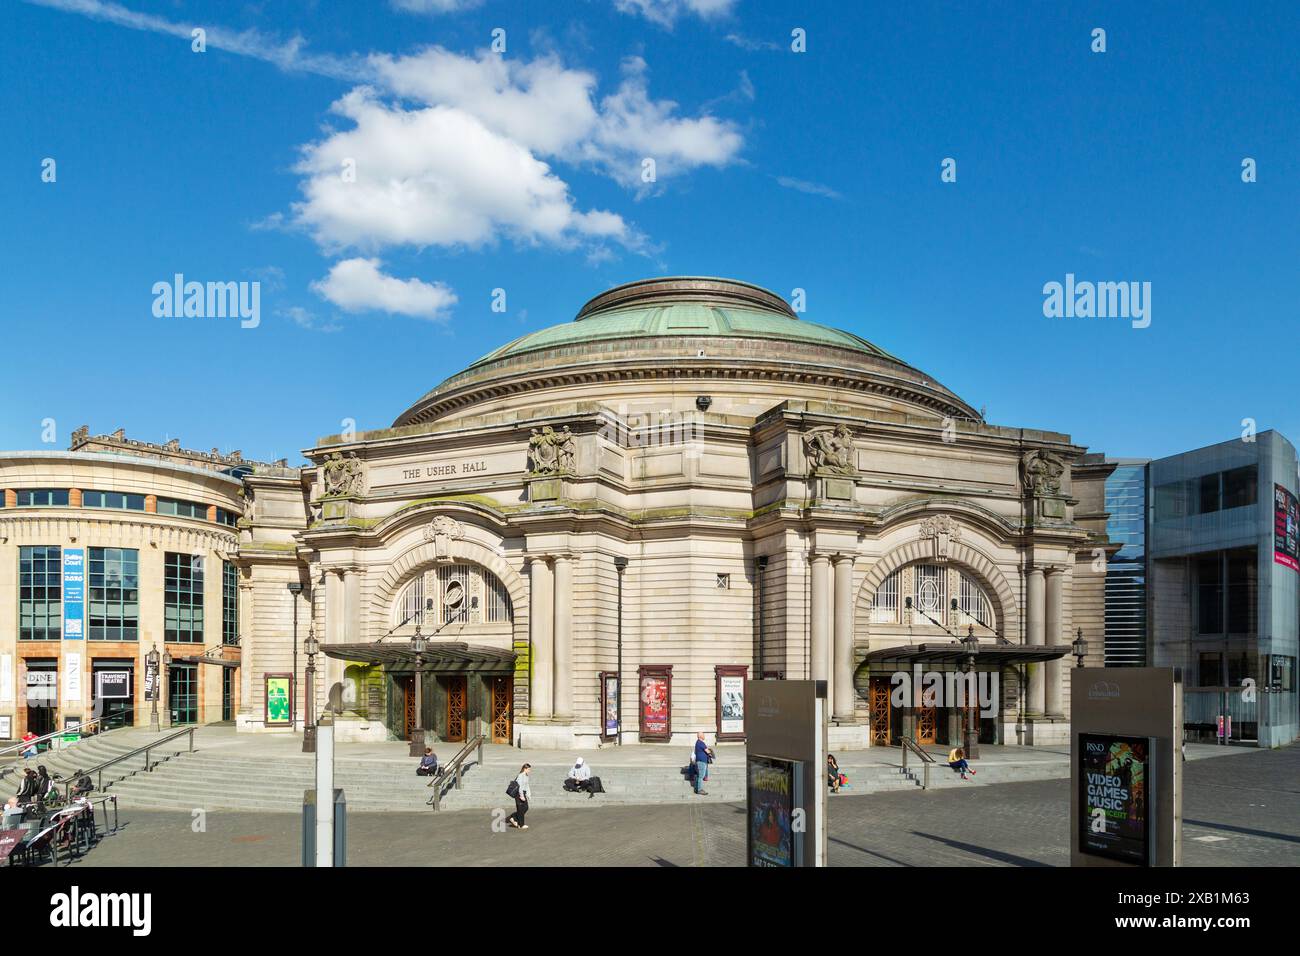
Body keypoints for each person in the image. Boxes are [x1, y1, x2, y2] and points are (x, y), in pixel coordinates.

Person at [507, 763, 531, 829]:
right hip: (519, 794)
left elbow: (527, 785)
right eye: (528, 769)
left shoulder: (526, 776)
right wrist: (521, 796)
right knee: (520, 809)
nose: (529, 771)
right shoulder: (520, 776)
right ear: (524, 769)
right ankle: (521, 825)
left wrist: (528, 794)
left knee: (526, 807)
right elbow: (519, 787)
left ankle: (513, 817)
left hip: (524, 793)